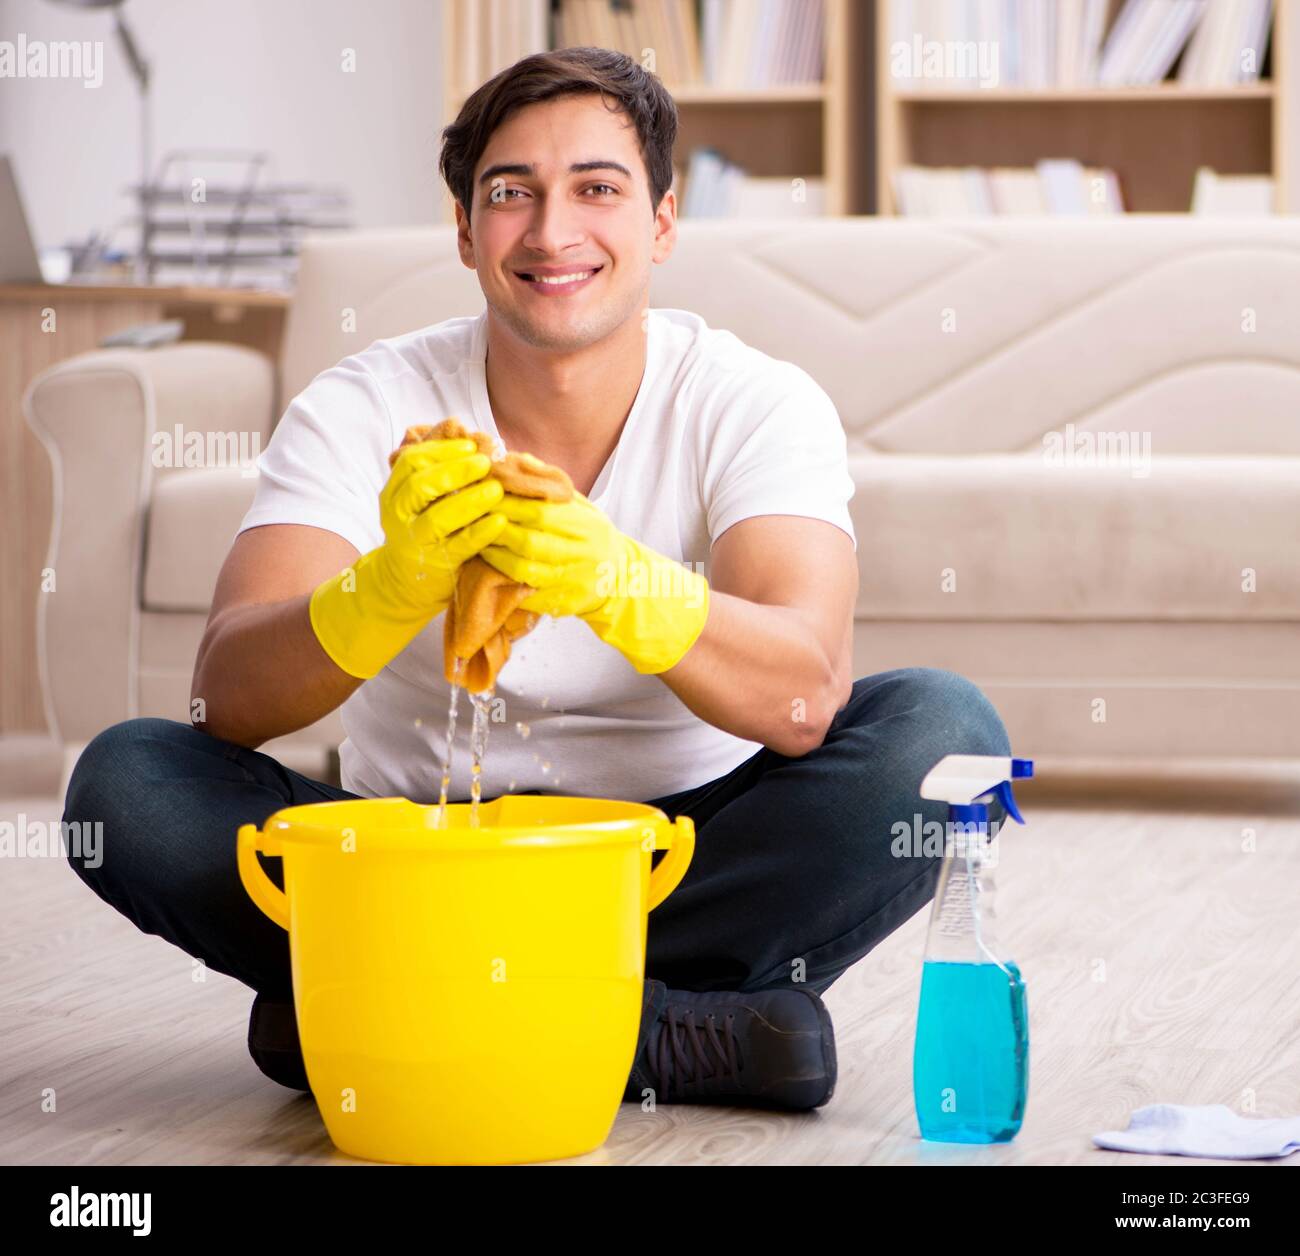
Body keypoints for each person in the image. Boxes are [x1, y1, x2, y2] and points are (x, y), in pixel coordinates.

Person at [64, 47, 1010, 1113]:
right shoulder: (363, 403)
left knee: (945, 731)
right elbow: (223, 700)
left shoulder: (752, 401)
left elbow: (801, 698)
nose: (553, 232)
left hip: (676, 858)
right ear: (466, 230)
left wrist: (617, 581)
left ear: (660, 221)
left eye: (597, 189)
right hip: (414, 861)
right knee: (128, 782)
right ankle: (674, 1031)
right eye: (510, 193)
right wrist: (387, 586)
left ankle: (389, 1010)